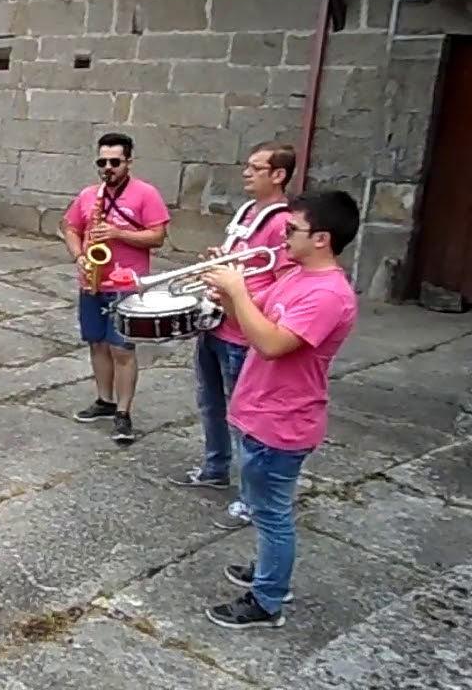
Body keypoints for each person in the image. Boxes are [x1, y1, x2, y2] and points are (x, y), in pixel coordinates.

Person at [201, 189, 361, 630]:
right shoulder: (295, 275)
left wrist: (238, 288)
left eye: (293, 230)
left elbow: (272, 344)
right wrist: (228, 295)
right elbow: (254, 327)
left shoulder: (329, 293)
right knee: (262, 507)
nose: (282, 236)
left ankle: (268, 599)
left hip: (283, 420)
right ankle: (270, 572)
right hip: (259, 409)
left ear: (322, 239)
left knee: (272, 513)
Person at [169, 142, 298, 531]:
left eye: (255, 168)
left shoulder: (283, 222)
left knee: (245, 417)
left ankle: (250, 498)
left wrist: (239, 295)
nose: (246, 172)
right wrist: (219, 259)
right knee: (209, 402)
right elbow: (243, 262)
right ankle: (214, 467)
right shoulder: (248, 212)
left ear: (278, 175)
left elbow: (284, 282)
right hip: (215, 321)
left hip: (243, 332)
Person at [63, 132, 170, 444]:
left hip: (126, 284)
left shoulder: (145, 194)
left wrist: (116, 232)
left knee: (121, 349)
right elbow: (69, 227)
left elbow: (157, 236)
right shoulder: (88, 195)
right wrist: (80, 256)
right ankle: (104, 400)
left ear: (128, 162)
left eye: (114, 162)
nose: (107, 167)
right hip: (91, 281)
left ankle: (123, 412)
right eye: (102, 161)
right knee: (97, 344)